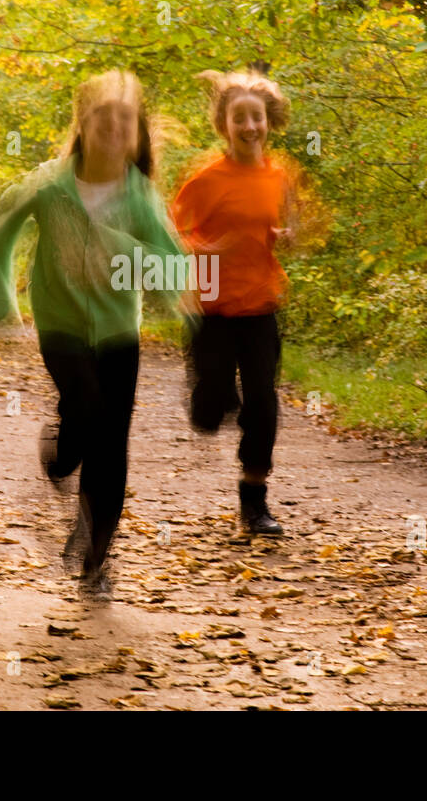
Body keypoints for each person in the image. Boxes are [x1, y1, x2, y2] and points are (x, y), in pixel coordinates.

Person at [0, 70, 188, 600]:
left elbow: (172, 267)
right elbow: (0, 230)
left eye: (126, 117)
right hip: (61, 325)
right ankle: (60, 455)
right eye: (104, 115)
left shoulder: (140, 196)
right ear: (83, 122)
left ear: (138, 132)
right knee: (86, 414)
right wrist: (3, 302)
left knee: (113, 445)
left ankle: (95, 557)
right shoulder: (50, 183)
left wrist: (125, 248)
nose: (115, 125)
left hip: (120, 333)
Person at [170, 68, 302, 536]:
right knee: (209, 414)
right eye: (239, 118)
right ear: (223, 125)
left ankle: (254, 504)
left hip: (261, 303)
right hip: (209, 309)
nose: (250, 127)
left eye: (257, 118)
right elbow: (167, 238)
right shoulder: (205, 180)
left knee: (263, 407)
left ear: (269, 122)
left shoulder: (280, 176)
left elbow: (277, 228)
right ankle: (210, 398)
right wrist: (205, 250)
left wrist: (282, 236)